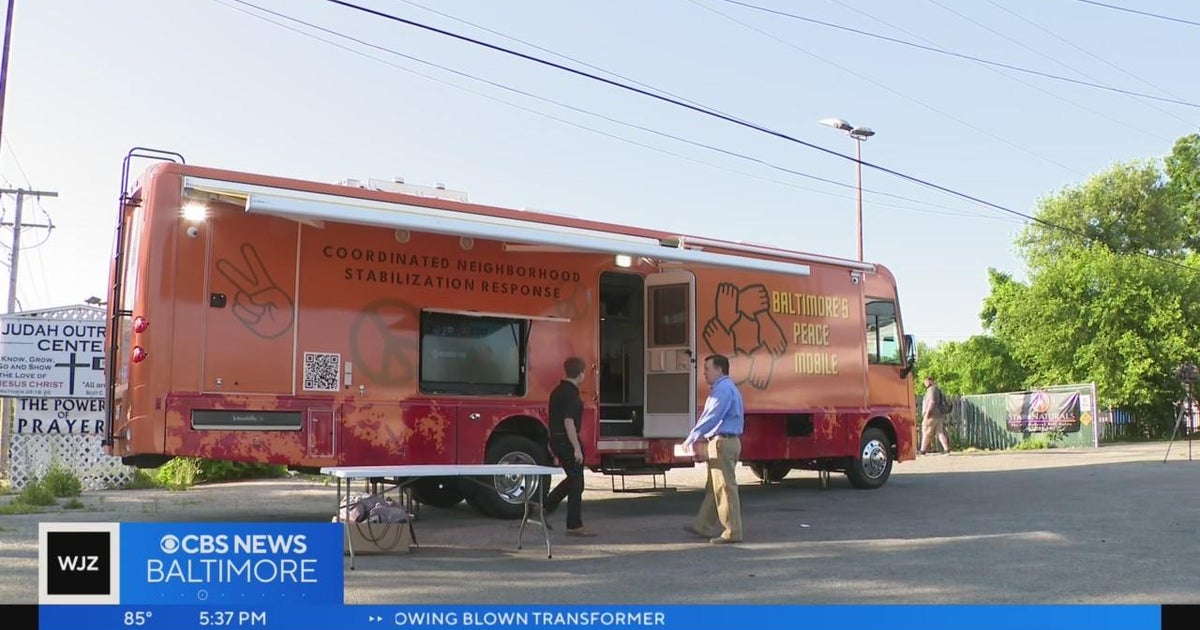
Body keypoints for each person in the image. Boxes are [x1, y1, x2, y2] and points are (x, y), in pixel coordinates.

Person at [682, 354, 744, 544]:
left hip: (723, 443)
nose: (704, 373)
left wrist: (693, 436)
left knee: (725, 488)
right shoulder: (725, 387)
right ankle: (702, 525)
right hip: (723, 442)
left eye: (707, 369)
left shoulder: (723, 389)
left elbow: (712, 416)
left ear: (719, 370)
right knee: (714, 488)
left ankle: (732, 532)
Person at [543, 357, 596, 536]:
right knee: (576, 482)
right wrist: (576, 448)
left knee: (573, 480)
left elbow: (553, 419)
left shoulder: (557, 391)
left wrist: (552, 442)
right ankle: (574, 525)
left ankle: (545, 509)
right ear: (581, 374)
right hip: (567, 441)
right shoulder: (572, 395)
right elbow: (569, 422)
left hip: (556, 439)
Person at [920, 375, 952, 455]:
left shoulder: (931, 389)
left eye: (927, 380)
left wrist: (927, 413)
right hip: (939, 415)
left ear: (931, 381)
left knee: (926, 432)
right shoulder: (937, 389)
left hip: (932, 415)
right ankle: (947, 450)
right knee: (940, 432)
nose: (925, 383)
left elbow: (932, 402)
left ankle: (922, 451)